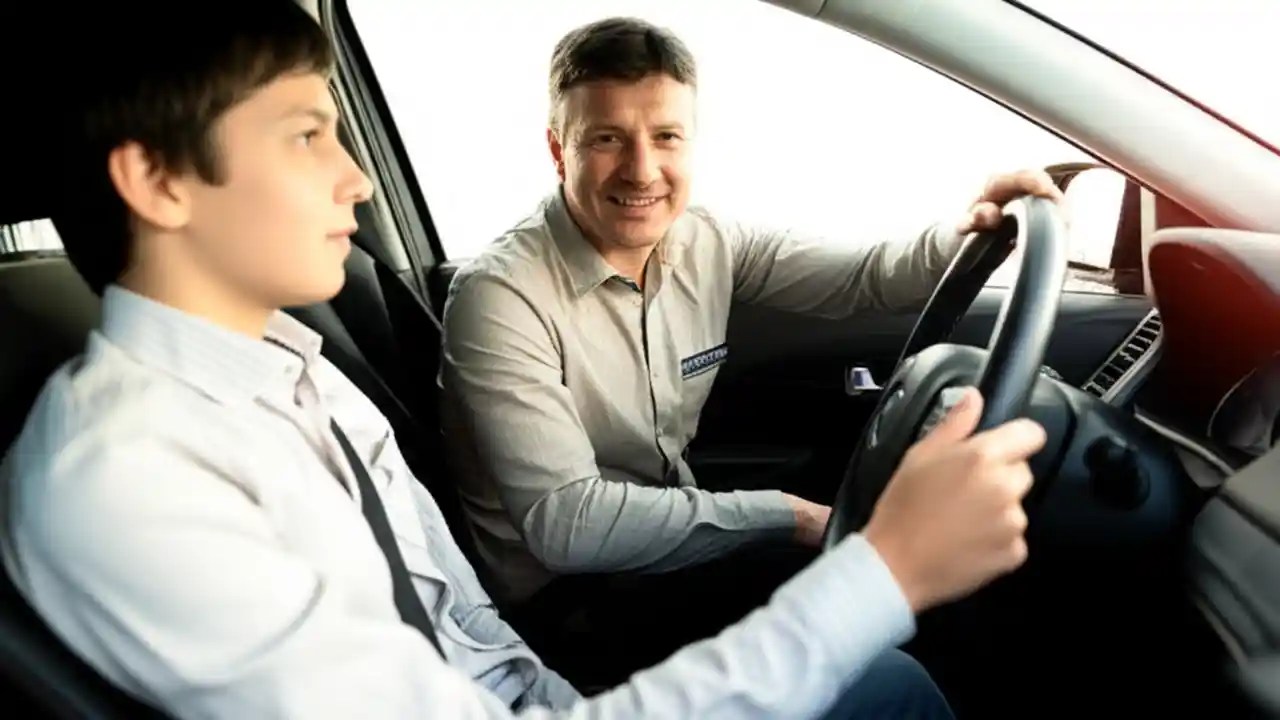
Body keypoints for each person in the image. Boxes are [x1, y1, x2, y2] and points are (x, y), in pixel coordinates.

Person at [0, 3, 1045, 718]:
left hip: (529, 675)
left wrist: (969, 232)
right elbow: (551, 557)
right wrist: (880, 569)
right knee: (893, 682)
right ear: (159, 183)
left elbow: (467, 640)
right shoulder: (124, 477)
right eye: (307, 135)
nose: (357, 178)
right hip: (567, 619)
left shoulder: (290, 369)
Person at [438, 15, 1063, 679]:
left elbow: (865, 277)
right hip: (562, 610)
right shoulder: (499, 297)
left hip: (660, 553)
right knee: (895, 636)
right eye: (607, 139)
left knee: (932, 590)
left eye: (666, 137)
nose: (642, 169)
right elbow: (569, 526)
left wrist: (966, 234)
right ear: (559, 149)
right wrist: (787, 515)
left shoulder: (705, 239)